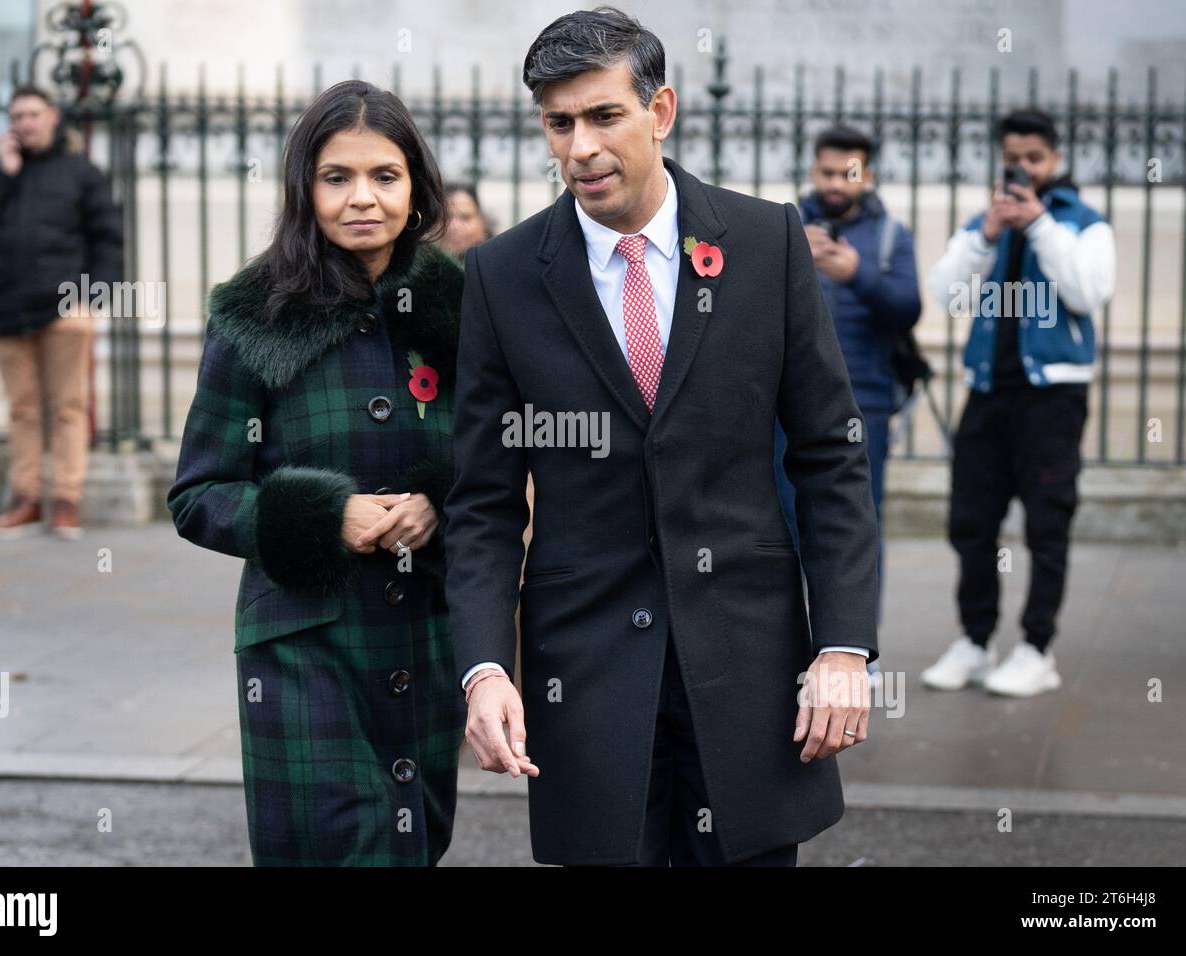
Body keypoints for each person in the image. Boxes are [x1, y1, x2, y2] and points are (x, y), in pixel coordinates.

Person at [445, 6, 878, 867]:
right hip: (588, 676)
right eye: (558, 123)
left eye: (604, 116)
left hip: (749, 667)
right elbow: (484, 503)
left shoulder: (765, 243)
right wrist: (485, 669)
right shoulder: (502, 275)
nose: (581, 147)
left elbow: (830, 456)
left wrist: (842, 647)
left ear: (661, 110)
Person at [167, 80, 465, 865]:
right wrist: (325, 517)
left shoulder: (456, 307)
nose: (362, 197)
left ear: (416, 187)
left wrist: (437, 501)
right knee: (342, 845)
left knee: (414, 842)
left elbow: (497, 454)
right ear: (306, 187)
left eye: (385, 176)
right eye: (337, 177)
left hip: (423, 634)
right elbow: (198, 495)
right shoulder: (255, 314)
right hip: (303, 644)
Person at [923, 108, 1115, 697]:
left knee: (1046, 524)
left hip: (1053, 397)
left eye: (1034, 158)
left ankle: (1037, 648)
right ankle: (976, 640)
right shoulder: (987, 222)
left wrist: (1039, 225)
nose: (1023, 169)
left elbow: (1087, 292)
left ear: (1054, 159)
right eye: (1013, 159)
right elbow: (945, 293)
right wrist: (986, 233)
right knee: (971, 522)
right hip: (987, 392)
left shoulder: (1084, 223)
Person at [773, 124, 922, 687]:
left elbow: (907, 307)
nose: (836, 183)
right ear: (814, 170)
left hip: (866, 407)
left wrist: (855, 273)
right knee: (782, 523)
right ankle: (791, 646)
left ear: (868, 175)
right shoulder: (783, 228)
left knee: (858, 525)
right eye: (827, 171)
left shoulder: (889, 236)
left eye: (848, 172)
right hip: (785, 408)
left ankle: (858, 650)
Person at [0, 85, 123, 540]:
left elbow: (109, 238)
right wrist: (2, 173)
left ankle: (66, 501)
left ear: (52, 116)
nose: (24, 123)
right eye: (17, 116)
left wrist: (92, 298)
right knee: (23, 409)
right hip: (7, 307)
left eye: (32, 114)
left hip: (64, 308)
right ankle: (25, 500)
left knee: (68, 407)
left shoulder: (81, 172)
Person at [440, 181, 493, 258]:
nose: (454, 227)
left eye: (465, 217)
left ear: (482, 221)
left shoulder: (500, 260)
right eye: (445, 218)